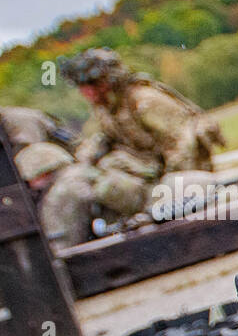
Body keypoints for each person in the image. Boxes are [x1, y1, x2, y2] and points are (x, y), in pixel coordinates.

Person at [39, 48, 225, 247]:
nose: (85, 92)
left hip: (174, 181)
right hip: (147, 177)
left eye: (89, 84)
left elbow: (184, 142)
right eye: (81, 86)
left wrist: (174, 194)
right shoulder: (108, 108)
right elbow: (105, 141)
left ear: (106, 81)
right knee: (88, 178)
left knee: (97, 180)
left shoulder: (144, 100)